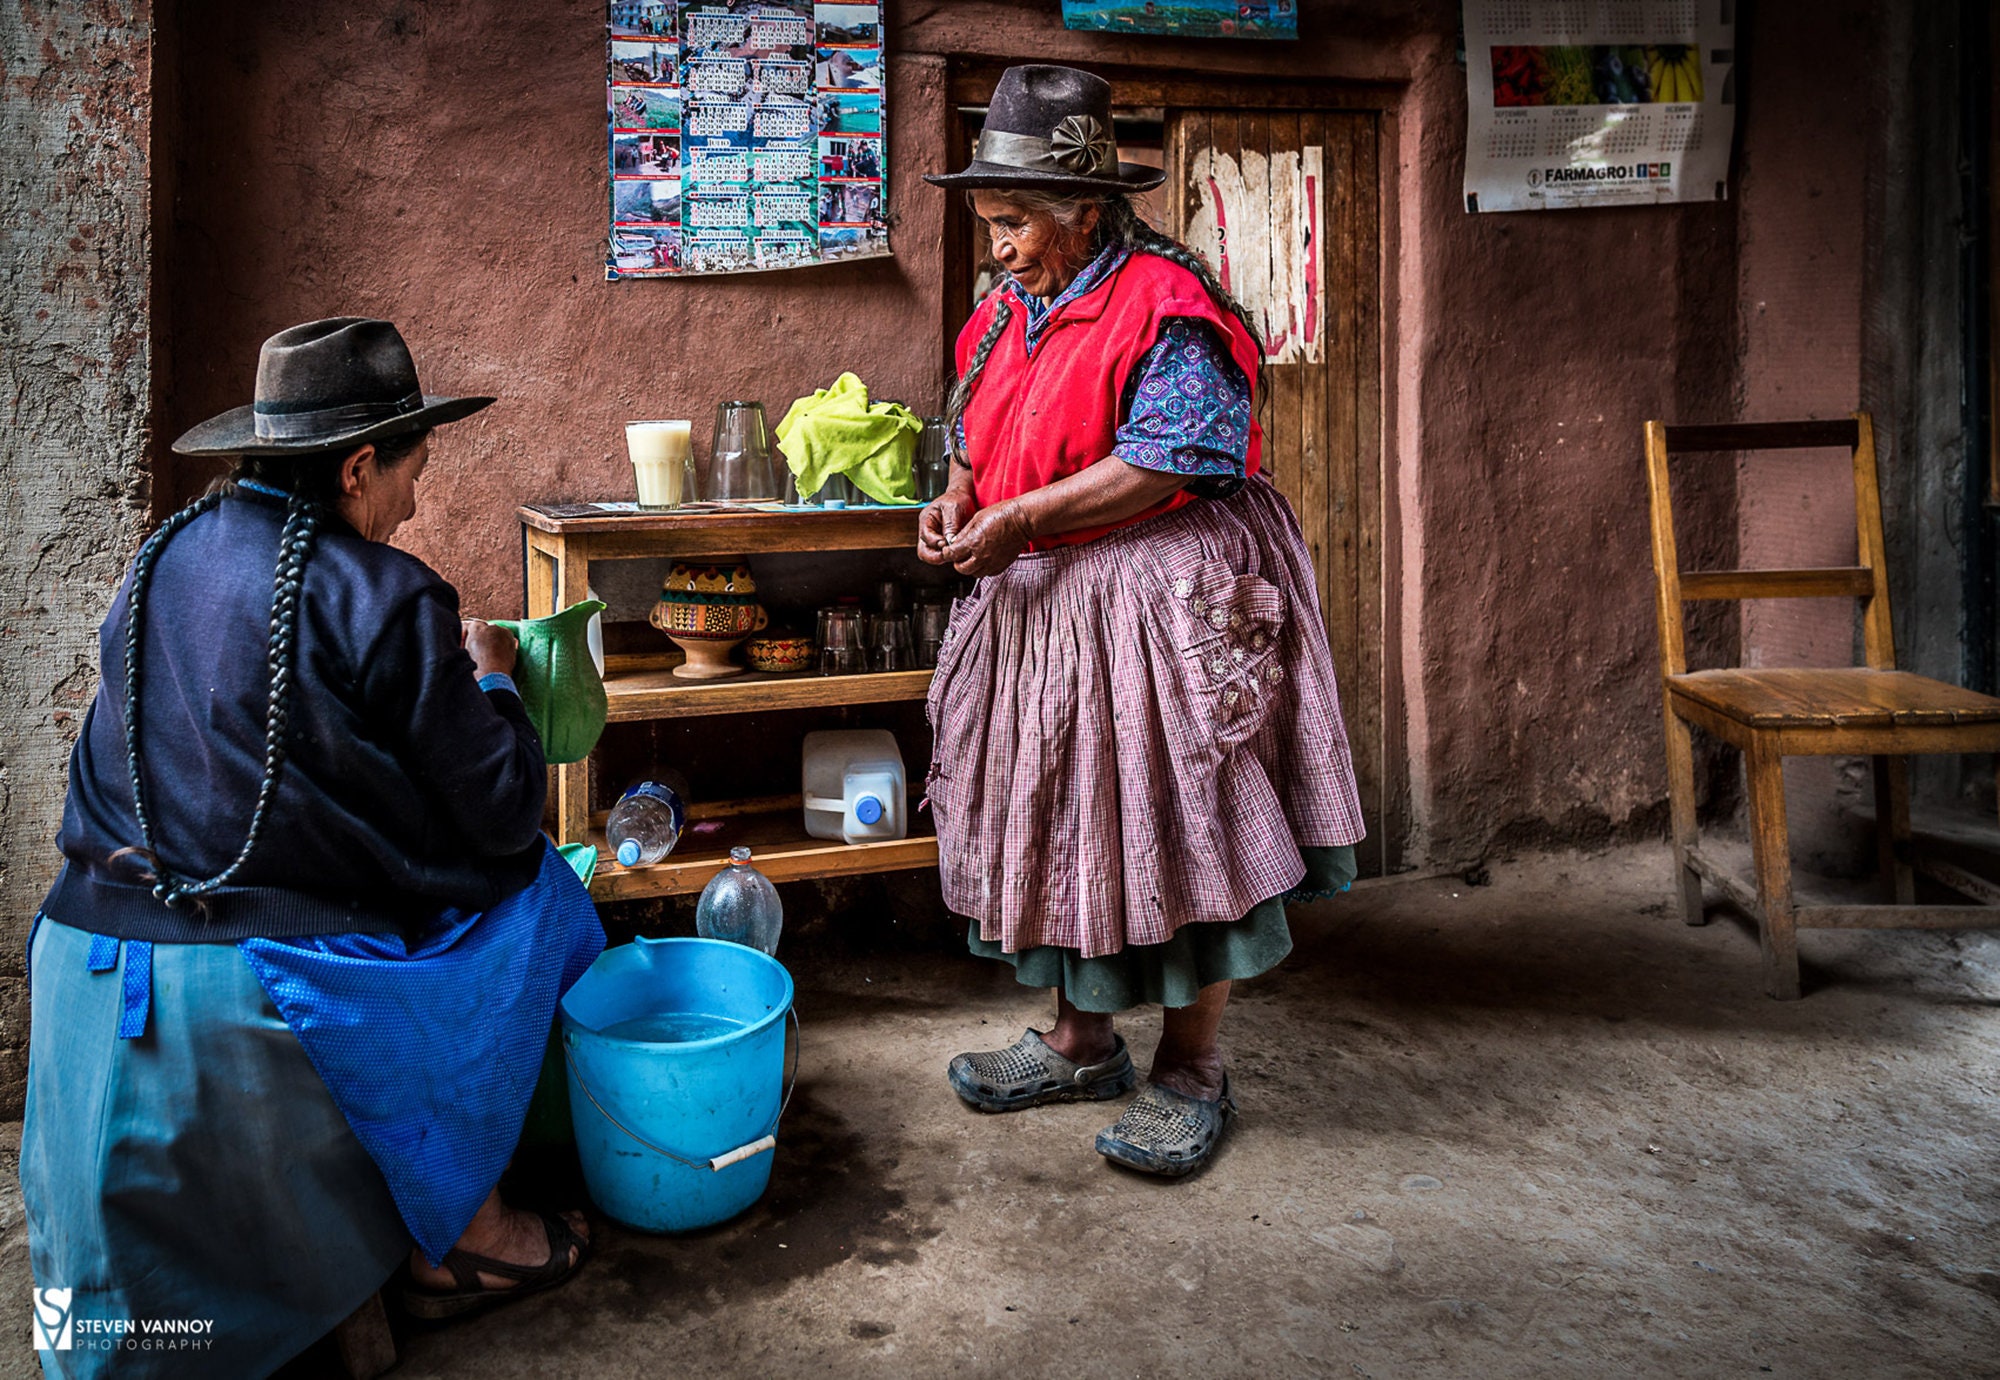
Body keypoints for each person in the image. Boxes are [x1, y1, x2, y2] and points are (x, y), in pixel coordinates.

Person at [22, 318, 605, 1376]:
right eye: (412, 475)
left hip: (78, 962)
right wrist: (489, 677)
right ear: (357, 467)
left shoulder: (156, 562)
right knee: (542, 896)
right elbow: (502, 809)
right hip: (251, 981)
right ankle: (466, 1236)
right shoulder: (383, 594)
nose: (413, 506)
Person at [919, 66, 1365, 1178]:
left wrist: (1022, 517)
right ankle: (1081, 1044)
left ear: (1083, 209)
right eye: (990, 223)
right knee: (1062, 814)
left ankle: (1191, 1069)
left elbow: (1171, 457)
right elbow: (971, 437)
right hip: (1042, 601)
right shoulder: (1000, 315)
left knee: (1175, 818)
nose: (1000, 248)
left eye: (1015, 223)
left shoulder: (1167, 305)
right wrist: (961, 497)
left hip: (1156, 597)